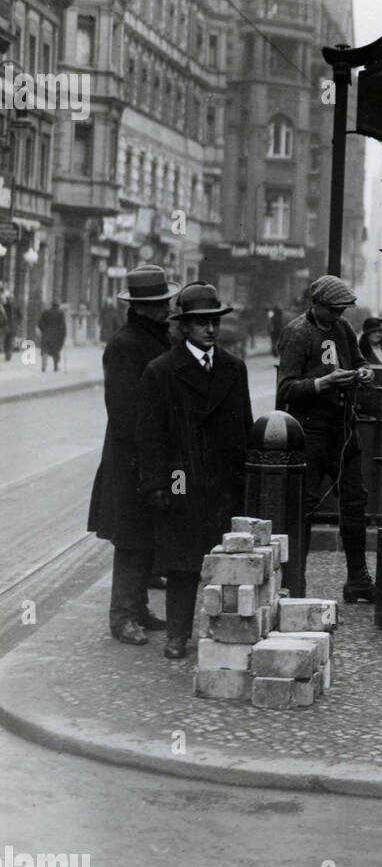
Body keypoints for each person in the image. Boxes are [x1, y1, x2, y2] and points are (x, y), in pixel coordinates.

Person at [138, 282, 253, 659]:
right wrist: (159, 485)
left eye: (214, 322)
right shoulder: (161, 371)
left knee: (226, 561)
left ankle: (222, 633)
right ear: (183, 327)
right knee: (183, 560)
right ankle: (177, 635)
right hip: (181, 477)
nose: (210, 329)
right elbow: (151, 435)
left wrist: (243, 477)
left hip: (222, 478)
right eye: (201, 322)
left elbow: (244, 427)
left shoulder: (234, 369)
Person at [87, 266, 176, 645]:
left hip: (148, 456)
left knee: (147, 537)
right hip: (132, 459)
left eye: (165, 301)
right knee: (131, 541)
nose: (166, 308)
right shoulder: (125, 345)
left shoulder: (154, 338)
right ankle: (122, 617)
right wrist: (146, 459)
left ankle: (138, 609)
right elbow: (123, 412)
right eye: (158, 304)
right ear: (141, 308)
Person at [276, 274, 376, 602]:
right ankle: (295, 581)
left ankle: (358, 579)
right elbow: (286, 388)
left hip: (343, 431)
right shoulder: (296, 333)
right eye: (333, 310)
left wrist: (363, 373)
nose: (338, 316)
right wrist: (322, 384)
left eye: (342, 310)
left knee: (355, 501)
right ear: (316, 305)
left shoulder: (343, 329)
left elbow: (360, 361)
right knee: (305, 506)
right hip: (310, 433)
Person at [38, 300, 67, 372]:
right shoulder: (60, 314)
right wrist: (63, 335)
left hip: (46, 335)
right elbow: (63, 326)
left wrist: (44, 330)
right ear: (58, 306)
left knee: (45, 350)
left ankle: (43, 366)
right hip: (56, 336)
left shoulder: (46, 312)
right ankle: (56, 366)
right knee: (56, 351)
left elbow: (40, 323)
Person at [0, 288, 17, 361]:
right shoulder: (3, 307)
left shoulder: (15, 307)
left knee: (10, 341)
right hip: (5, 326)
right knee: (6, 341)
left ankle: (8, 355)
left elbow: (20, 316)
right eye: (9, 299)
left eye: (11, 299)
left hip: (12, 326)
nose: (10, 300)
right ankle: (7, 353)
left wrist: (17, 322)